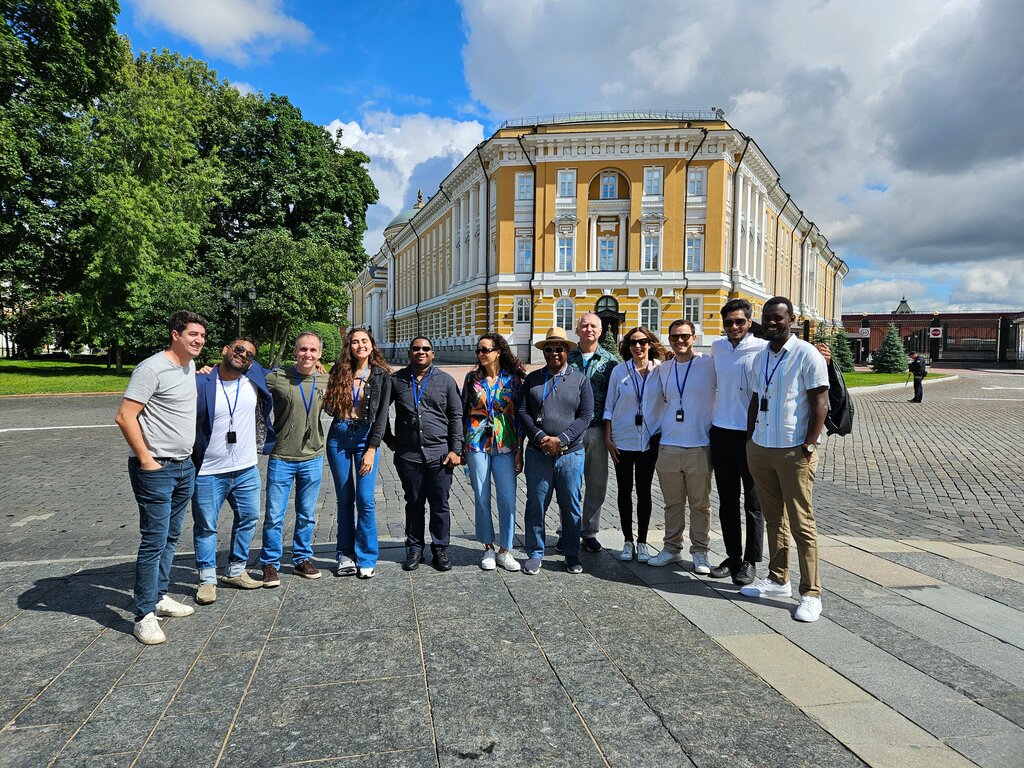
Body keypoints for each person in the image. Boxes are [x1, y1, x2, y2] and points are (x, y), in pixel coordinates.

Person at [115, 310, 207, 645]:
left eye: (201, 336)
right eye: (192, 335)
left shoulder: (188, 366)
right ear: (175, 335)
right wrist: (146, 460)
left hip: (184, 466)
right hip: (157, 469)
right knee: (154, 540)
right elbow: (125, 416)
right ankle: (143, 615)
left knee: (170, 537)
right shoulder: (152, 368)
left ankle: (158, 595)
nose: (198, 341)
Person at [740, 296, 830, 623]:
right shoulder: (759, 358)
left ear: (791, 318)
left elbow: (821, 402)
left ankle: (811, 593)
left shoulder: (806, 354)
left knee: (802, 523)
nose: (773, 323)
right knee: (774, 519)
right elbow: (754, 400)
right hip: (762, 446)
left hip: (794, 448)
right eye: (768, 318)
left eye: (779, 317)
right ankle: (778, 579)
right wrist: (750, 438)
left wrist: (809, 444)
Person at [190, 337, 275, 606]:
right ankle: (207, 579)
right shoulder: (201, 382)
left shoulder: (253, 378)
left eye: (250, 354)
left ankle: (236, 570)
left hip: (246, 467)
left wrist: (318, 363)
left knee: (249, 517)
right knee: (206, 526)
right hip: (208, 470)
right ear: (225, 350)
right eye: (239, 349)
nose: (244, 355)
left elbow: (291, 369)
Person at [518, 327, 594, 575]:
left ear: (567, 351)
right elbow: (522, 413)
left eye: (559, 348)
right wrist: (540, 437)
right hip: (538, 452)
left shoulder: (580, 380)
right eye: (549, 349)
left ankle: (571, 553)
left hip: (570, 453)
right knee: (536, 503)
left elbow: (585, 416)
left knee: (570, 504)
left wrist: (561, 439)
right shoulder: (533, 378)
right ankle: (535, 552)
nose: (554, 353)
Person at [256, 331, 328, 586]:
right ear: (295, 352)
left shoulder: (325, 380)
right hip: (282, 456)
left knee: (307, 513)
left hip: (313, 456)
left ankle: (301, 558)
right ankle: (270, 563)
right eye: (302, 349)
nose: (307, 354)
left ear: (320, 354)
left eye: (312, 350)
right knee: (275, 515)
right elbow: (249, 373)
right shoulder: (277, 378)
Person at [386, 337, 463, 572]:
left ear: (433, 353)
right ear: (409, 352)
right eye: (416, 349)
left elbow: (456, 416)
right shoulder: (397, 380)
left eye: (425, 349)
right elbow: (380, 413)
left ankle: (440, 548)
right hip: (409, 455)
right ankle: (415, 548)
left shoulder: (446, 381)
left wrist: (455, 449)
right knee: (414, 502)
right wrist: (391, 441)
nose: (421, 352)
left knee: (440, 503)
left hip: (439, 455)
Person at [647, 320, 717, 574]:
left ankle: (700, 552)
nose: (680, 341)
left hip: (699, 444)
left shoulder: (709, 364)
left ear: (694, 336)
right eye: (675, 337)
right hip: (668, 445)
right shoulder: (664, 368)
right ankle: (671, 547)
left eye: (684, 336)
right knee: (672, 503)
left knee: (700, 504)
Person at [324, 328, 392, 580]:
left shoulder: (382, 376)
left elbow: (382, 416)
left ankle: (366, 556)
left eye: (364, 341)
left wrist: (372, 449)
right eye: (355, 342)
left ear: (372, 345)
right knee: (344, 499)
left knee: (365, 499)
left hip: (366, 438)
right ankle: (344, 554)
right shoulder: (339, 371)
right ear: (349, 346)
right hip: (339, 435)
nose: (360, 345)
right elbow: (328, 403)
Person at [708, 299, 765, 586]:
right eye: (729, 322)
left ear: (749, 322)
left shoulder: (762, 347)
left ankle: (751, 561)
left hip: (750, 434)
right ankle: (733, 557)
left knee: (753, 502)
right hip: (721, 432)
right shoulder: (717, 348)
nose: (733, 327)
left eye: (739, 321)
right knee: (727, 501)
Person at [463, 333, 525, 572]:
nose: (481, 354)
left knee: (507, 498)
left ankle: (505, 549)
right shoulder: (472, 379)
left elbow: (520, 416)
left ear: (498, 351)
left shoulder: (514, 380)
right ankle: (487, 546)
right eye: (478, 350)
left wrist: (520, 449)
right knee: (481, 496)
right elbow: (463, 411)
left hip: (506, 443)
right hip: (476, 443)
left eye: (485, 350)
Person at [603, 326, 666, 563]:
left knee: (644, 491)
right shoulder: (620, 371)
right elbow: (609, 406)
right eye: (632, 343)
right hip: (623, 439)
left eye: (642, 342)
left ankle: (642, 542)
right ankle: (627, 541)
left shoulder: (661, 369)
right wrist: (608, 439)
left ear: (650, 344)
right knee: (623, 491)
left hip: (649, 441)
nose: (637, 346)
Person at [566, 313, 617, 552]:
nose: (589, 329)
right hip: (570, 430)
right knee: (569, 483)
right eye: (584, 325)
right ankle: (568, 529)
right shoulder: (567, 358)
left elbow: (615, 399)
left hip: (597, 430)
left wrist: (610, 433)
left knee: (596, 483)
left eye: (593, 326)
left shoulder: (610, 362)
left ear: (600, 330)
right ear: (577, 330)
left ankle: (590, 531)